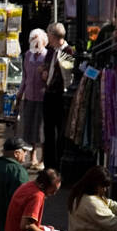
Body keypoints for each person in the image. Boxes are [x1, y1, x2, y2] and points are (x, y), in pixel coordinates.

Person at [16, 28, 48, 169]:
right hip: (29, 96)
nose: (34, 43)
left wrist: (45, 75)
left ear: (44, 42)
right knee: (29, 128)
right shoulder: (28, 55)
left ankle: (43, 159)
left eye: (37, 40)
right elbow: (25, 77)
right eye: (32, 40)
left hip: (42, 97)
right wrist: (20, 93)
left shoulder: (48, 56)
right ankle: (33, 157)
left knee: (41, 128)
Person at [42, 23, 70, 172]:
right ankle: (49, 164)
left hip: (59, 95)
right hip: (49, 94)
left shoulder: (67, 51)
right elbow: (47, 67)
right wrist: (44, 72)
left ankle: (57, 164)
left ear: (54, 35)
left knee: (59, 131)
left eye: (49, 35)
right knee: (48, 130)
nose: (47, 38)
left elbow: (67, 76)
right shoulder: (51, 51)